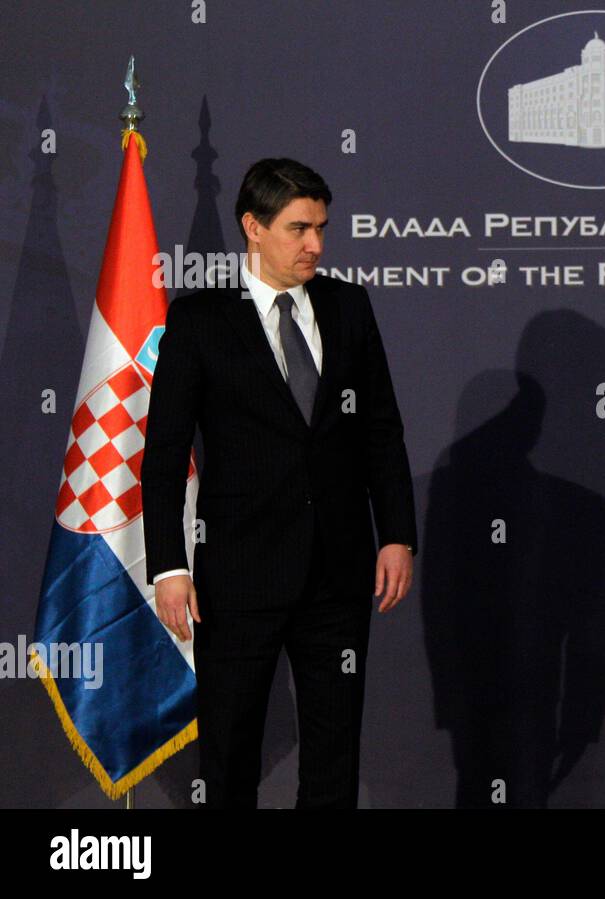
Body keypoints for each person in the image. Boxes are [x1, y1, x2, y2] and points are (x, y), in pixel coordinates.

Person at [142, 158, 418, 808]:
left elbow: (380, 429)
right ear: (253, 227)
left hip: (339, 572)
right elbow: (164, 452)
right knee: (232, 752)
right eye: (299, 228)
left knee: (333, 754)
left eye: (321, 227)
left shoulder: (349, 306)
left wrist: (397, 534)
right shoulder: (200, 321)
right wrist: (168, 566)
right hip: (238, 575)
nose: (316, 245)